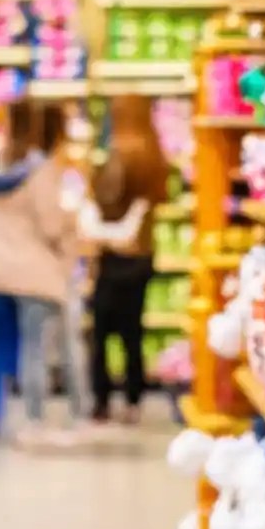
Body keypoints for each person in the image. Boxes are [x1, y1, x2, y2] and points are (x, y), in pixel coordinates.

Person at [0, 101, 86, 446]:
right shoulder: (40, 169)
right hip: (29, 271)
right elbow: (51, 223)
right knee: (34, 347)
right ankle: (33, 419)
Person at [83, 95, 169, 424]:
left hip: (112, 252)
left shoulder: (117, 154)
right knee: (133, 331)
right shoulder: (154, 153)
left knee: (102, 331)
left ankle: (101, 399)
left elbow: (102, 196)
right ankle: (134, 398)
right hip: (142, 254)